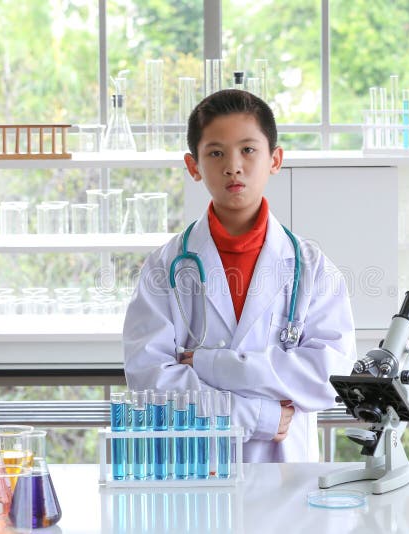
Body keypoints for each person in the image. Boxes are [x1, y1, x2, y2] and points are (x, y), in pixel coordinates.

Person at [123, 89, 356, 462]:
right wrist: (256, 416)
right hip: (198, 469)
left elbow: (329, 377)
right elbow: (150, 381)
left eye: (248, 150)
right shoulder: (164, 268)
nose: (233, 166)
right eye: (216, 153)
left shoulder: (312, 268)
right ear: (193, 166)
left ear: (274, 159)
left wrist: (210, 364)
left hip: (285, 476)